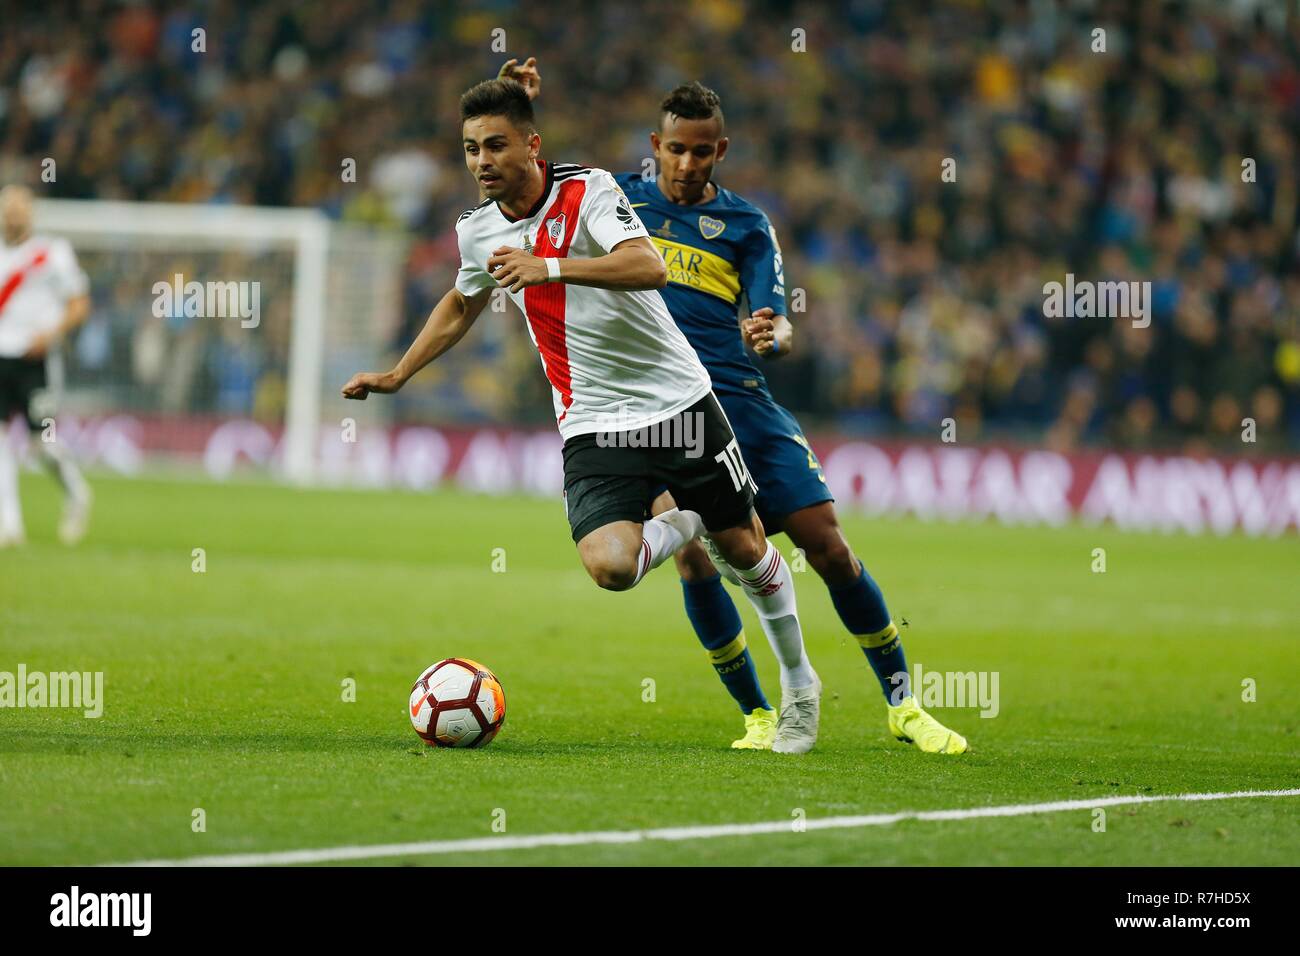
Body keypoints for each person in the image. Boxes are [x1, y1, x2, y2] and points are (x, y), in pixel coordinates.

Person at [501, 58, 967, 754]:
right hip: (653, 413)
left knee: (829, 546)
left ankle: (903, 705)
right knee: (695, 557)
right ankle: (757, 713)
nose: (686, 162)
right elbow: (539, 186)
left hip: (741, 404)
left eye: (701, 150)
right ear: (655, 147)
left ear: (721, 151)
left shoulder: (746, 224)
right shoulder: (616, 200)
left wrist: (773, 332)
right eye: (675, 148)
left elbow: (776, 320)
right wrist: (521, 106)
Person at [343, 79, 820, 750]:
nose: (481, 160)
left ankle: (800, 683)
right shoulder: (477, 228)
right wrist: (398, 372)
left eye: (496, 145)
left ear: (533, 145)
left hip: (678, 401)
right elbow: (461, 303)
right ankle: (684, 525)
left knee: (745, 550)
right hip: (593, 419)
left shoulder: (588, 190)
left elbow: (647, 264)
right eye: (471, 148)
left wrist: (551, 268)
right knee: (611, 568)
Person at [0, 184, 93, 548]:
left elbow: (79, 305)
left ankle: (76, 491)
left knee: (43, 445)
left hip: (36, 362)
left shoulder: (51, 254)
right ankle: (10, 525)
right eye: (7, 207)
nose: (13, 214)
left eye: (20, 207)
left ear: (32, 213)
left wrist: (51, 335)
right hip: (0, 359)